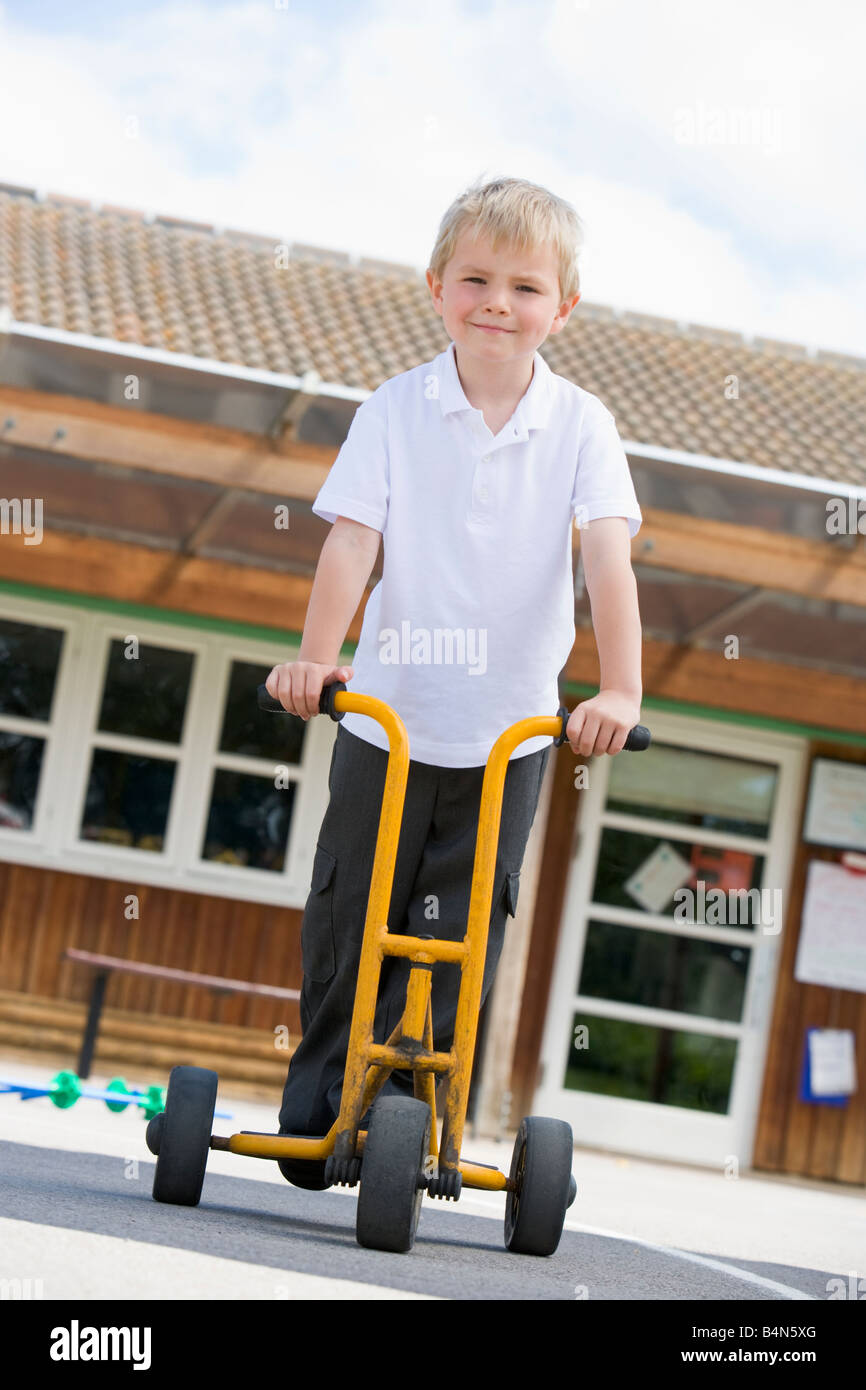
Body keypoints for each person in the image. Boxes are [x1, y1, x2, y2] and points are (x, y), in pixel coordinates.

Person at [266, 175, 644, 1188]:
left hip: (508, 734)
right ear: (436, 286)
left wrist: (619, 691)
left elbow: (606, 559)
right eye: (473, 278)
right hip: (385, 720)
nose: (494, 301)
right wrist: (315, 657)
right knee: (350, 908)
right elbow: (353, 540)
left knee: (460, 926)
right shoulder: (395, 408)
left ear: (560, 308)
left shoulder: (581, 426)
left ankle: (420, 1109)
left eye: (523, 286)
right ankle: (321, 1091)